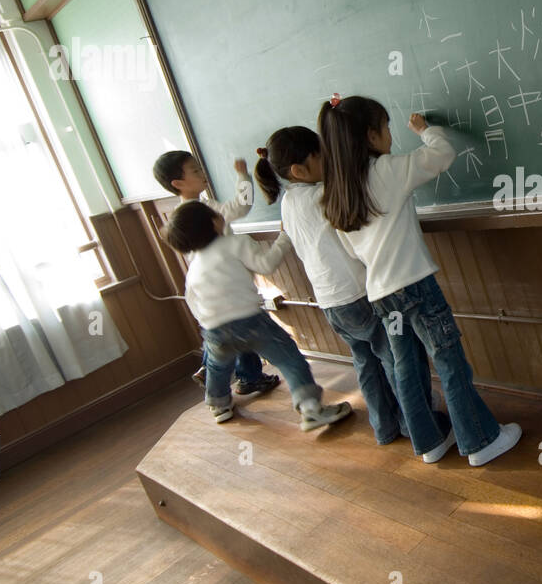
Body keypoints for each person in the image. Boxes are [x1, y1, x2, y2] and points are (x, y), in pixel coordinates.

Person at [318, 96, 520, 466]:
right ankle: (479, 441)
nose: (391, 136)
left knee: (406, 367)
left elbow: (351, 251)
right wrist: (426, 130)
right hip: (416, 286)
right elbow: (441, 155)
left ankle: (429, 442)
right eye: (386, 128)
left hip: (381, 294)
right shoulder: (388, 170)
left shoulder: (336, 193)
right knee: (448, 361)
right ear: (370, 135)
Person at [254, 125, 415, 444]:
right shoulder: (323, 195)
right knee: (392, 358)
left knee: (366, 362)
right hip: (358, 294)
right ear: (299, 170)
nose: (330, 159)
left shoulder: (289, 202)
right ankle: (414, 425)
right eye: (322, 155)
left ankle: (384, 427)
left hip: (330, 303)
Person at [164, 200, 352, 431]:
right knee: (289, 358)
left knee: (217, 366)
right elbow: (266, 264)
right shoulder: (234, 243)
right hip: (250, 321)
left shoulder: (194, 265)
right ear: (214, 222)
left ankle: (219, 405)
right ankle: (311, 409)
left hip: (214, 328)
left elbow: (191, 299)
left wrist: (209, 325)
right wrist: (285, 237)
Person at [153, 149, 278, 399]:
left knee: (229, 330)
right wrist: (243, 176)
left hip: (213, 285)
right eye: (195, 170)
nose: (203, 173)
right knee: (241, 326)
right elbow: (240, 207)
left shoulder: (185, 213)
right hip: (226, 280)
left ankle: (236, 375)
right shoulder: (201, 211)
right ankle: (244, 378)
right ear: (178, 183)